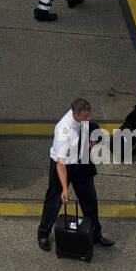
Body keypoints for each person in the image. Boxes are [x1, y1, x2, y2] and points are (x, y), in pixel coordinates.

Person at [36, 97, 114, 251]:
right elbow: (60, 165)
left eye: (88, 115)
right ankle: (43, 234)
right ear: (75, 114)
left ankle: (96, 234)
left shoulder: (81, 118)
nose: (88, 118)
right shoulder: (64, 131)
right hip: (64, 165)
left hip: (80, 161)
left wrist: (93, 142)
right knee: (54, 200)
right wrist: (65, 189)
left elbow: (91, 127)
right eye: (85, 116)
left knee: (90, 198)